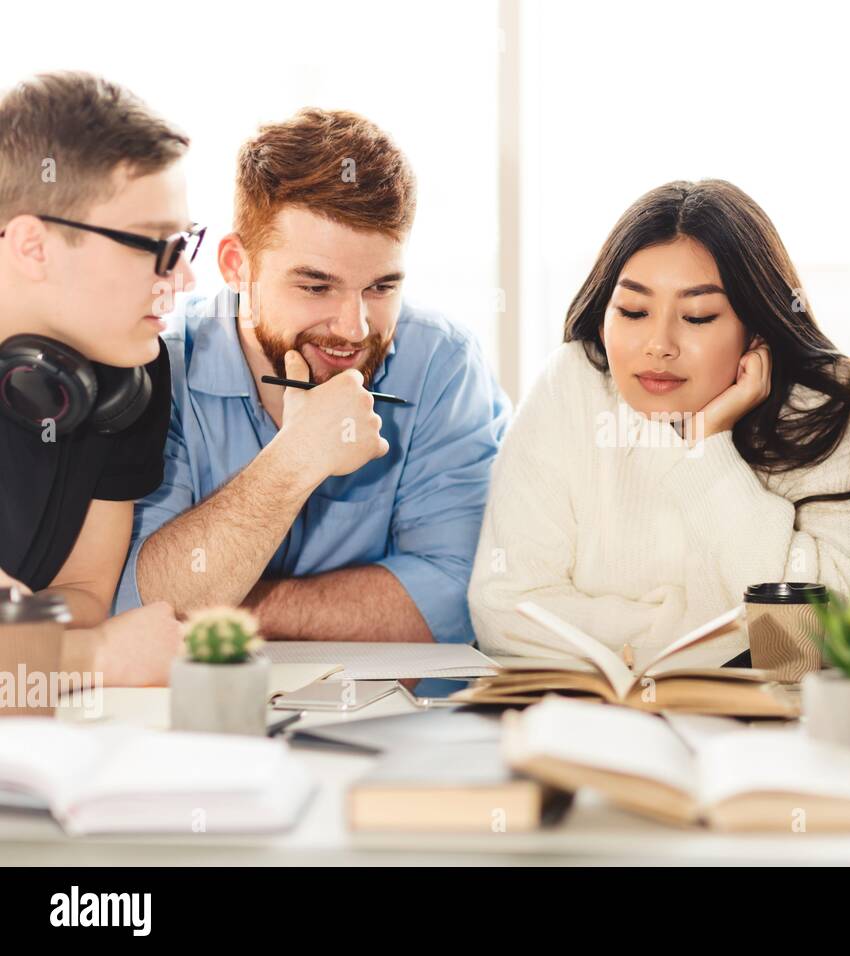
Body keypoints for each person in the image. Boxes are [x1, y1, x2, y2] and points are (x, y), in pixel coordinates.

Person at [115, 108, 509, 644]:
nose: (355, 328)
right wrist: (294, 461)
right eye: (316, 287)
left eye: (381, 287)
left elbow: (462, 596)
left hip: (396, 719)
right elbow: (132, 602)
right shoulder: (158, 366)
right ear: (237, 266)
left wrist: (225, 604)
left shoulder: (442, 364)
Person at [469, 180, 850, 663]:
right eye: (633, 311)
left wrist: (710, 449)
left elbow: (816, 639)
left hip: (762, 729)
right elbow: (502, 611)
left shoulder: (819, 410)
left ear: (756, 327)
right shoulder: (573, 381)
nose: (659, 344)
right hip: (587, 721)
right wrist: (713, 635)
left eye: (698, 316)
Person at [0, 72, 196, 685]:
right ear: (34, 247)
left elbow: (82, 594)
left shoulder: (126, 375)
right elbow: (91, 639)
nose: (184, 277)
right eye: (152, 245)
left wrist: (19, 632)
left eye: (184, 242)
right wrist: (97, 660)